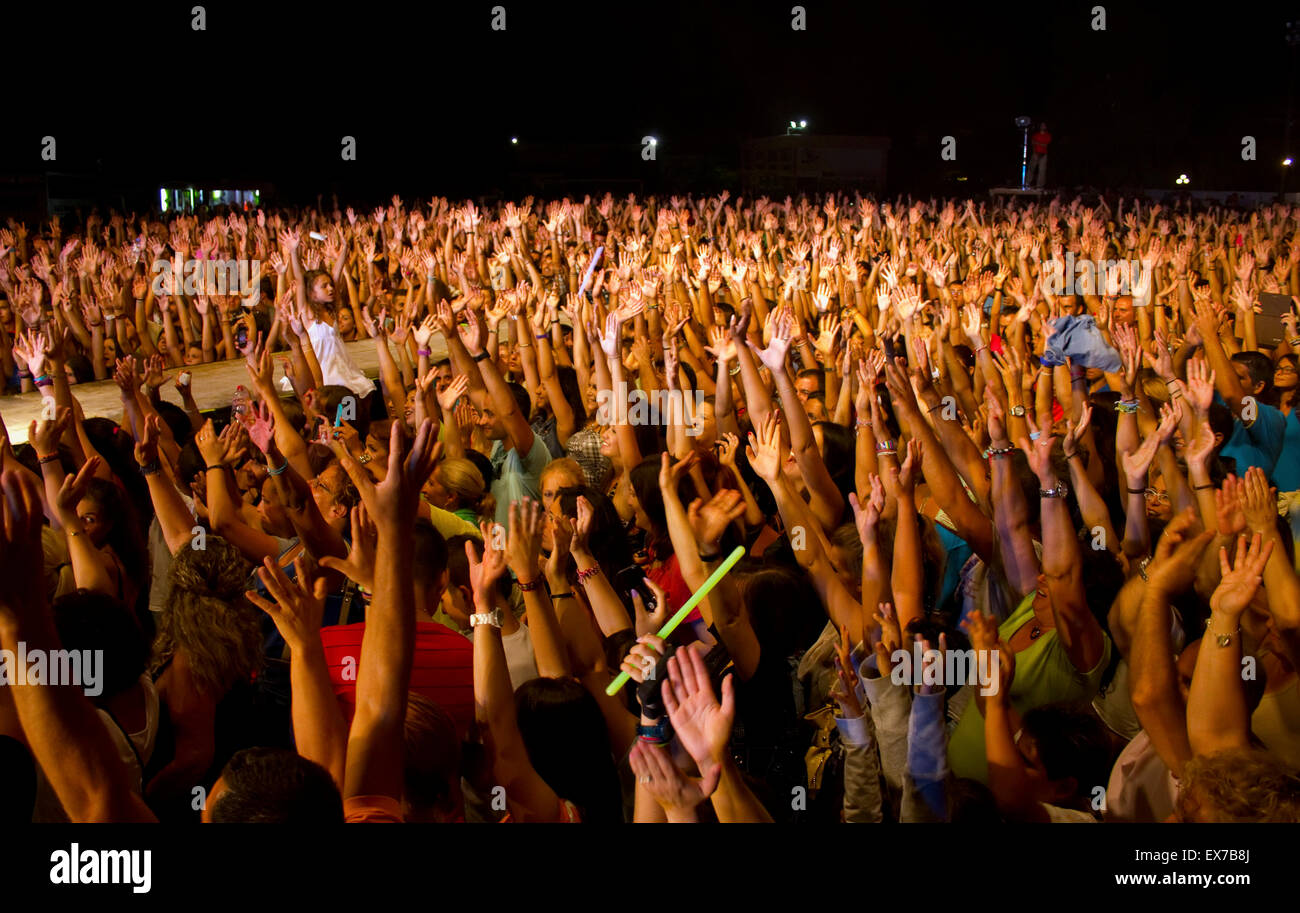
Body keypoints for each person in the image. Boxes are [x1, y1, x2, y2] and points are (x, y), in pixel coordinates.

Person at [1029, 122, 1052, 189]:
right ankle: (1027, 182)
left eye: (1044, 125)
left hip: (1043, 154)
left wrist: (1037, 143)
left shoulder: (1048, 135)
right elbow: (1033, 144)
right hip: (1036, 153)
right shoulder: (1036, 135)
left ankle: (1040, 186)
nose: (1043, 126)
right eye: (1041, 125)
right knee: (1031, 168)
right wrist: (1034, 152)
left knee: (1042, 171)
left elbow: (1045, 145)